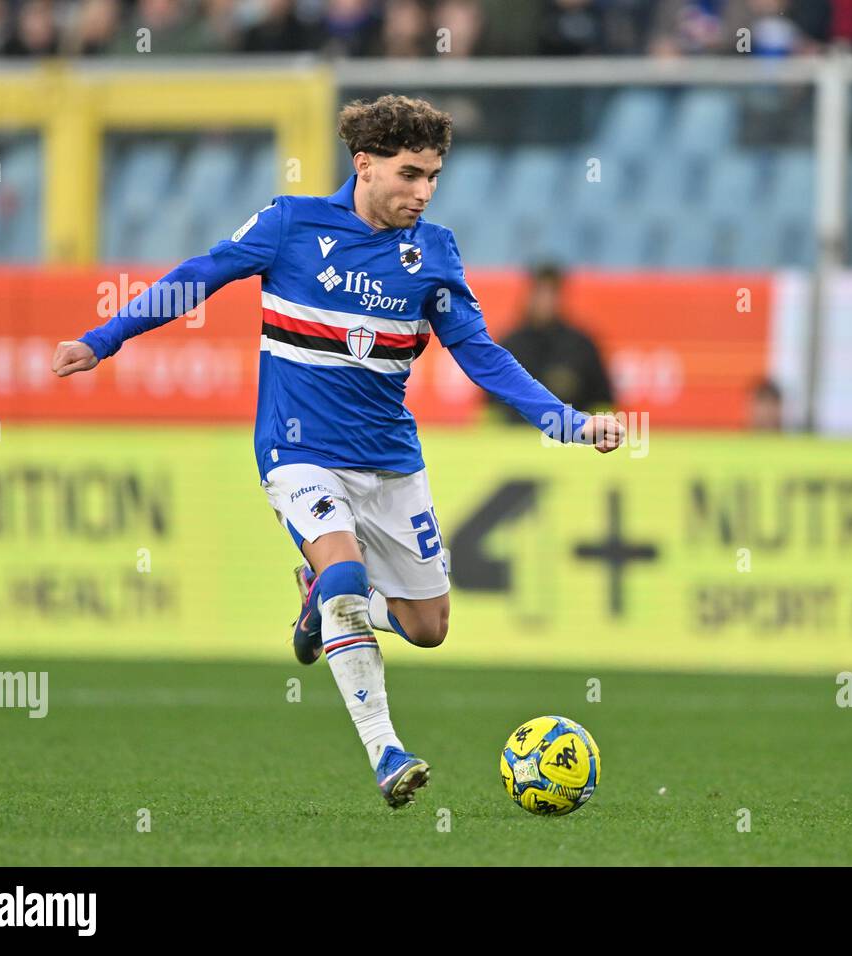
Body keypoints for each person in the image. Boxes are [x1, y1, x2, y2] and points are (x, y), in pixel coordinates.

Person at [51, 94, 625, 810]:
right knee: (348, 577)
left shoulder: (433, 251)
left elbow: (478, 353)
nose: (424, 191)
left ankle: (318, 602)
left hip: (389, 460)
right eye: (411, 174)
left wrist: (565, 420)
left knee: (429, 627)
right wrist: (100, 341)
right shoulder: (290, 225)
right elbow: (197, 278)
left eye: (434, 177)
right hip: (298, 452)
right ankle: (387, 750)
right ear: (365, 164)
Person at [494, 262, 615, 424]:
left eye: (551, 293)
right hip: (516, 441)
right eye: (539, 292)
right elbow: (491, 406)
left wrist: (597, 434)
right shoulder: (509, 344)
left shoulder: (581, 345)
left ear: (560, 296)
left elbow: (603, 400)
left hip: (569, 441)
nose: (545, 301)